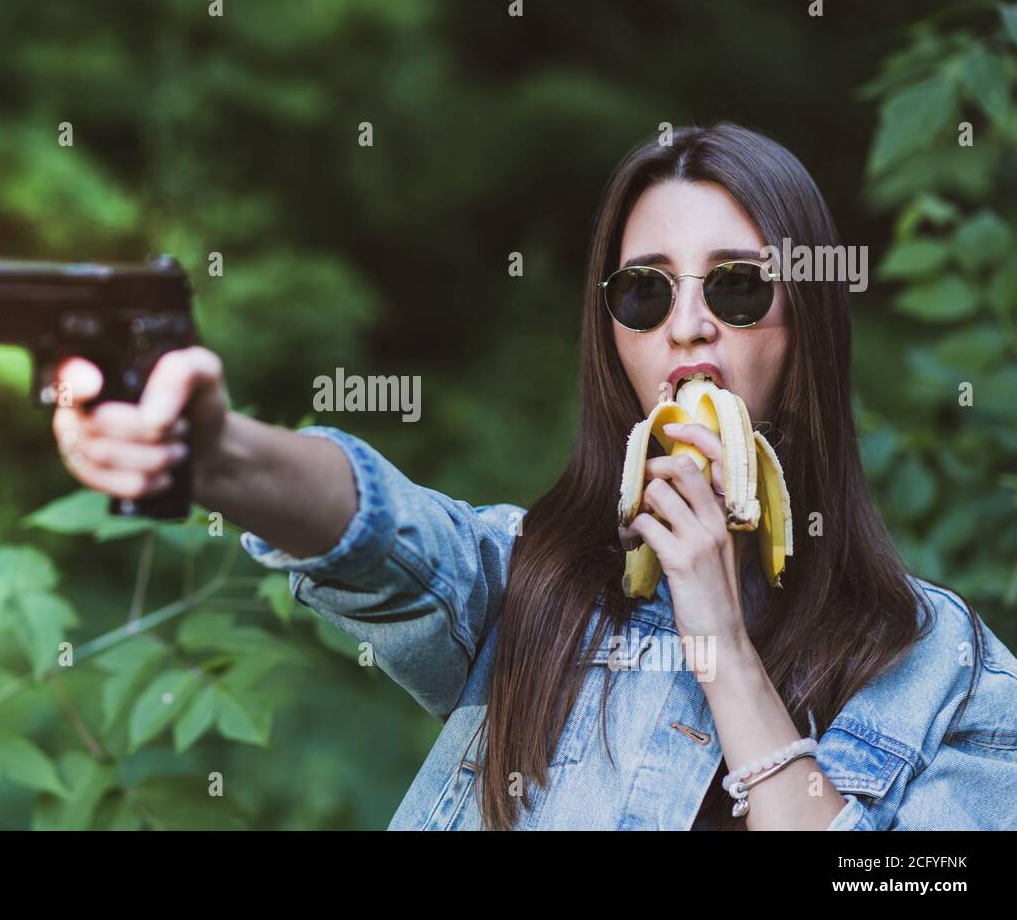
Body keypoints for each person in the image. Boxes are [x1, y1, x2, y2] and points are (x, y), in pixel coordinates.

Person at [51, 122, 1017, 830]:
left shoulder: (951, 677)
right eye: (645, 291)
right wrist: (220, 455)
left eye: (737, 285)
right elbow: (383, 535)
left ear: (808, 325)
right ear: (614, 342)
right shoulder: (536, 585)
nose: (687, 326)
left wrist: (719, 638)